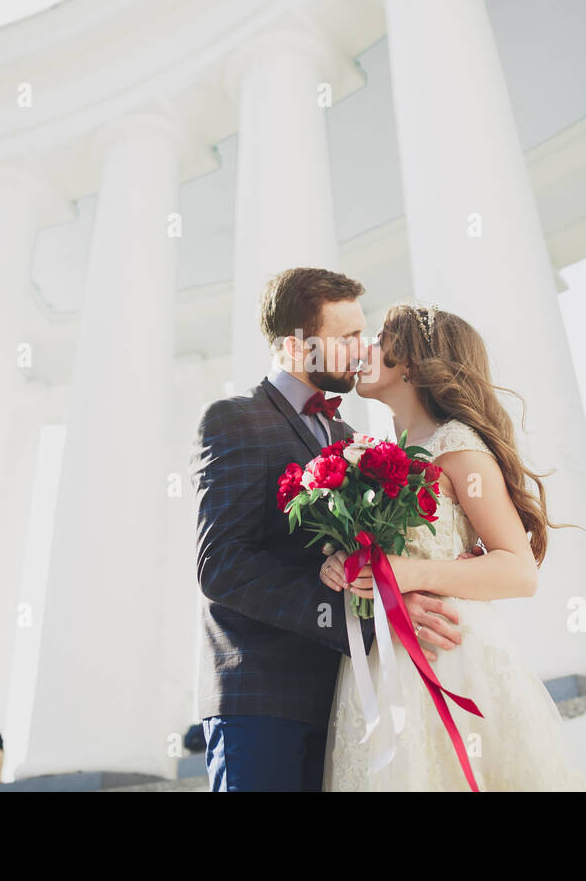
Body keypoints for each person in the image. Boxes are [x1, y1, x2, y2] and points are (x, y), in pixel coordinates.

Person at [189, 267, 471, 792]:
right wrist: (363, 623)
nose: (363, 349)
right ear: (297, 349)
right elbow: (222, 566)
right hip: (261, 700)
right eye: (345, 339)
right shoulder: (233, 419)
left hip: (346, 700)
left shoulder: (353, 437)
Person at [319, 302, 586, 791]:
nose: (365, 349)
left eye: (380, 340)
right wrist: (347, 563)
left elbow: (518, 570)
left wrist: (410, 574)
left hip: (450, 653)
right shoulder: (381, 454)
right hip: (383, 660)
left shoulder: (456, 443)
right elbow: (383, 562)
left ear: (410, 365)